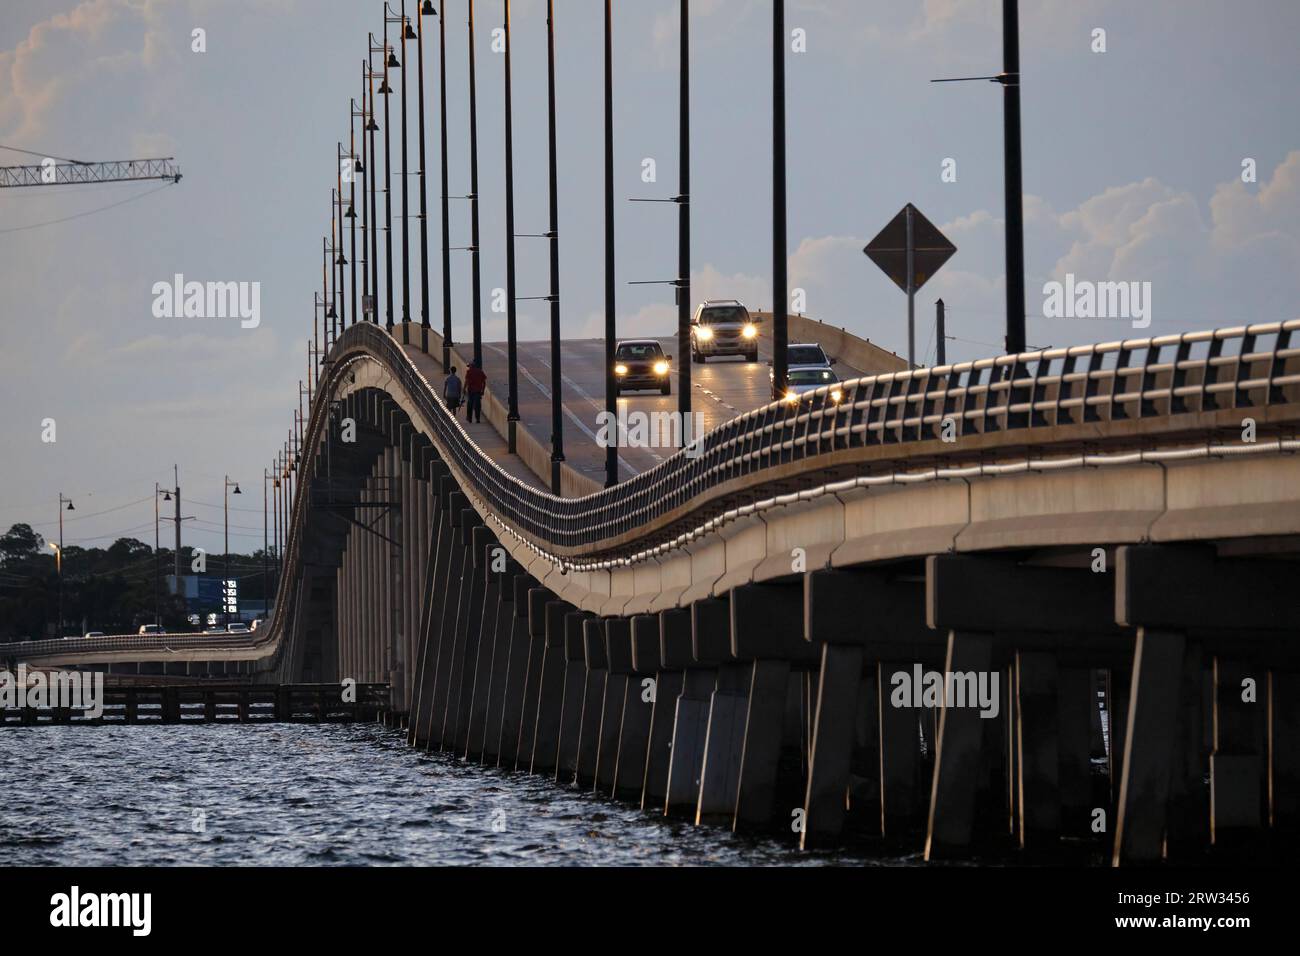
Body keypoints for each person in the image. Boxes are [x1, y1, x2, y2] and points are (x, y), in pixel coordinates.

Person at [464, 359, 488, 424]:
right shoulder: (480, 372)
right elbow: (484, 382)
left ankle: (469, 418)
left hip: (471, 390)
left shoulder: (469, 372)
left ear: (471, 366)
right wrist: (483, 390)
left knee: (470, 405)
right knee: (477, 406)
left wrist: (464, 389)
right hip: (478, 391)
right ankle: (477, 419)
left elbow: (466, 381)